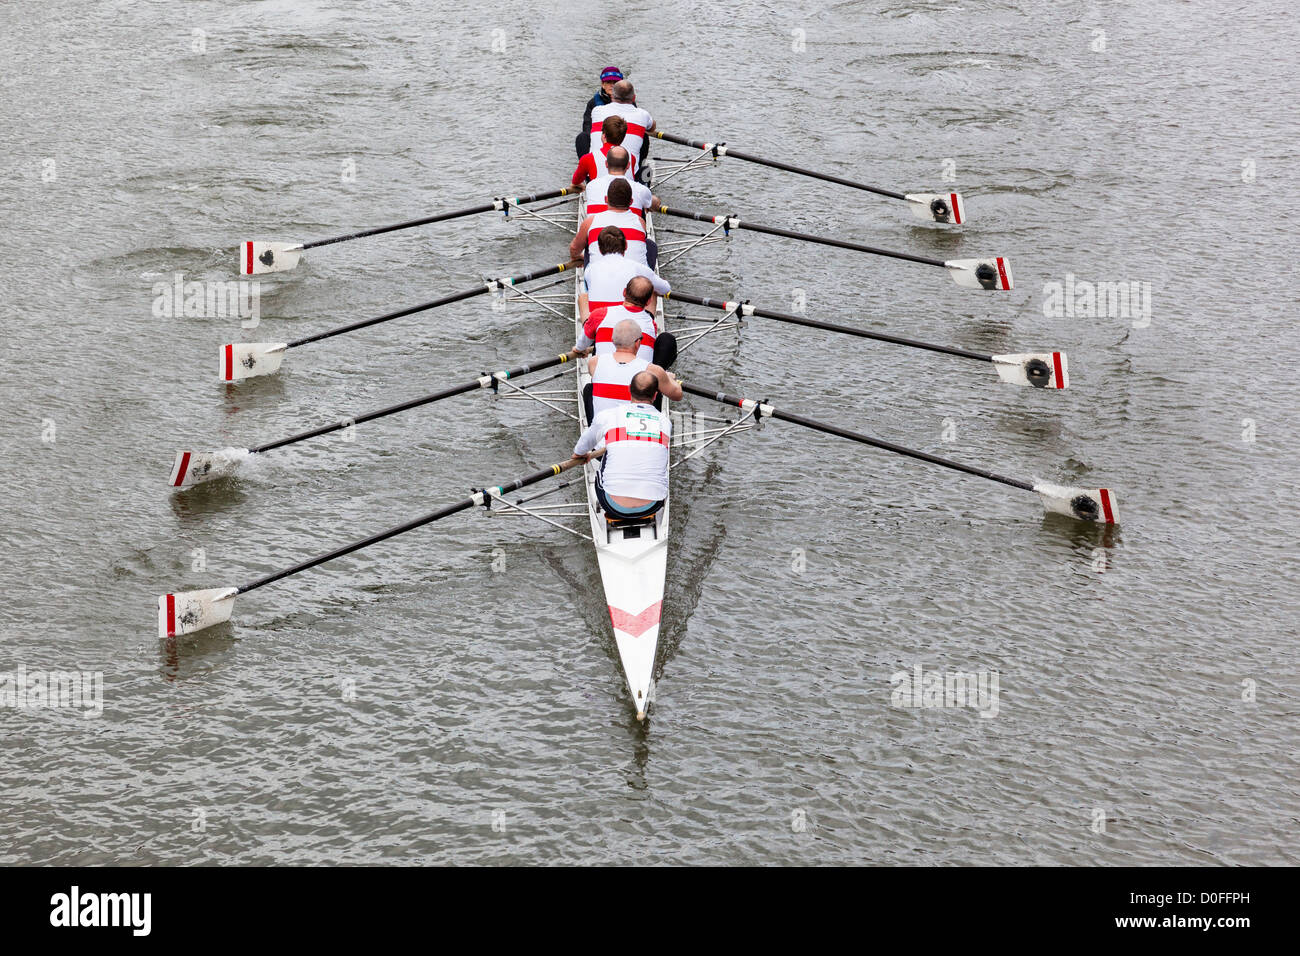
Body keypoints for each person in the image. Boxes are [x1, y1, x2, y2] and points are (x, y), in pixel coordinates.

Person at [572, 370, 671, 520]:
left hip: (613, 505)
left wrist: (580, 455)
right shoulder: (664, 421)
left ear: (629, 389)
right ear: (656, 395)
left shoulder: (608, 415)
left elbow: (580, 448)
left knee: (607, 453)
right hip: (653, 504)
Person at [583, 318, 682, 422]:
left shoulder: (594, 362)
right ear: (638, 343)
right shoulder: (653, 371)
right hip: (634, 430)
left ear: (612, 341)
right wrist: (668, 378)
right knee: (653, 387)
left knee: (589, 388)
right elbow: (677, 395)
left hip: (603, 430)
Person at [574, 276, 677, 370]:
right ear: (648, 302)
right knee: (667, 340)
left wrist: (579, 349)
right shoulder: (651, 323)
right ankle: (658, 381)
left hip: (606, 374)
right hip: (641, 385)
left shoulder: (600, 314)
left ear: (624, 292)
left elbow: (580, 346)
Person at [579, 227, 668, 323]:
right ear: (626, 246)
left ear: (600, 250)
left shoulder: (590, 269)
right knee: (651, 290)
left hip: (600, 325)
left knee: (584, 297)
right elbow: (665, 289)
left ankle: (587, 327)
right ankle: (647, 327)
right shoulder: (637, 267)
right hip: (632, 325)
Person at [569, 178, 654, 269]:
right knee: (651, 245)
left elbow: (574, 249)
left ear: (606, 199)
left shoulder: (590, 221)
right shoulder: (640, 221)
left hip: (599, 276)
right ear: (631, 202)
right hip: (637, 281)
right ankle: (649, 274)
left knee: (588, 245)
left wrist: (577, 258)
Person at [590, 80, 655, 182]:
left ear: (612, 96)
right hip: (628, 181)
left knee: (582, 137)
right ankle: (642, 184)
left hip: (594, 178)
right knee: (647, 168)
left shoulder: (596, 111)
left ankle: (586, 179)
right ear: (633, 98)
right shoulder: (643, 115)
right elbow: (652, 128)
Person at [584, 147, 655, 217]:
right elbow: (654, 205)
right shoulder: (641, 189)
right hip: (630, 226)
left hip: (596, 227)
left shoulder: (591, 186)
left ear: (606, 164)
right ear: (628, 165)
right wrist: (652, 199)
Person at [576, 66, 623, 158]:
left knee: (644, 137)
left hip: (620, 140)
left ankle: (636, 164)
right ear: (603, 84)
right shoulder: (593, 103)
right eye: (608, 82)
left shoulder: (628, 102)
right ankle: (586, 166)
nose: (612, 85)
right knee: (582, 137)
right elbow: (587, 127)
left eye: (615, 82)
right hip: (599, 139)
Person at [571, 115, 627, 186]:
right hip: (623, 194)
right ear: (623, 138)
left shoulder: (588, 158)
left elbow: (575, 182)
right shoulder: (631, 158)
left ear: (603, 135)